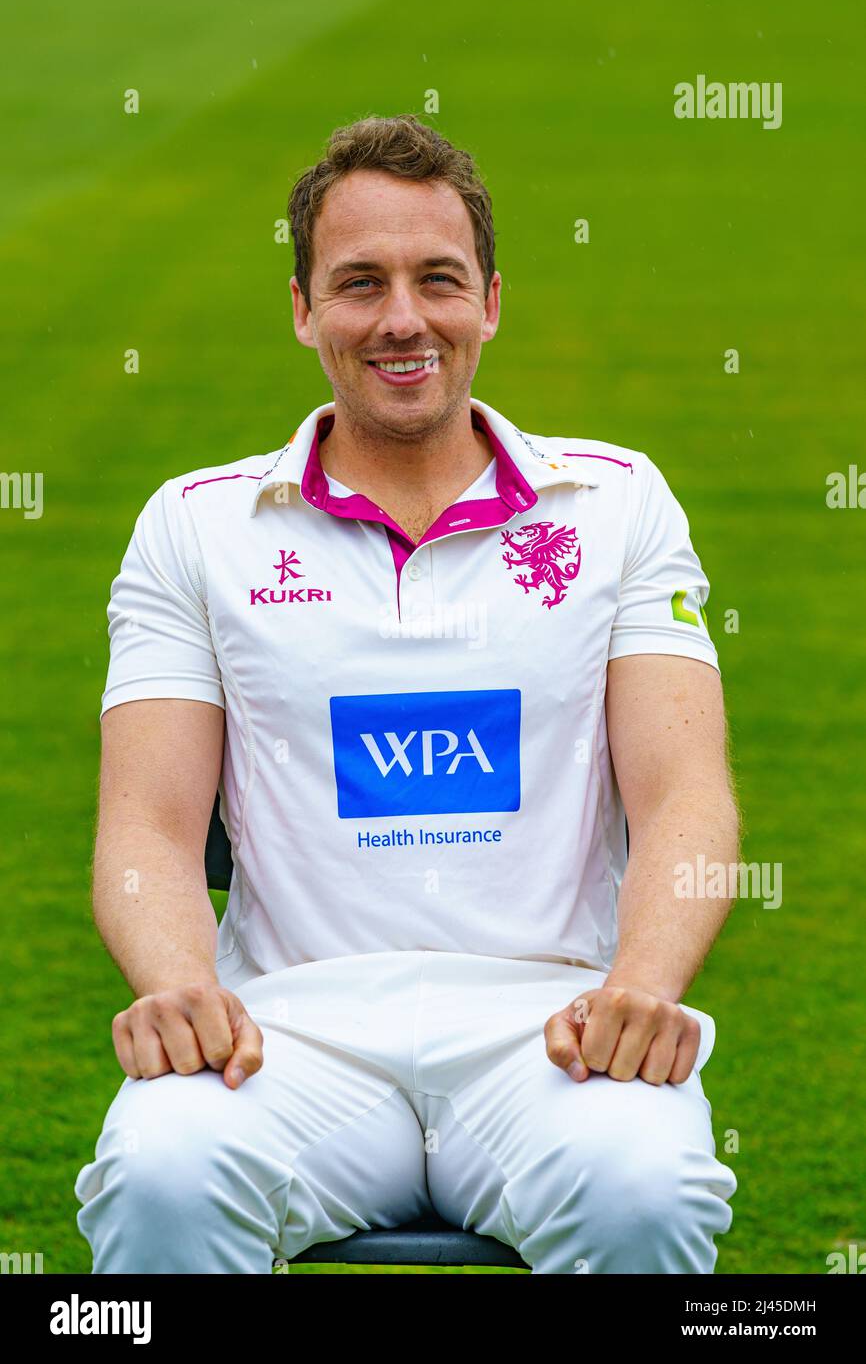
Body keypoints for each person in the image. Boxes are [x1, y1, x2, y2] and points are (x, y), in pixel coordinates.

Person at [74, 114, 739, 1274]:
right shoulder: (196, 524)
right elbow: (146, 824)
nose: (400, 319)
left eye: (436, 280)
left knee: (645, 1188)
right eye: (357, 283)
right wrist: (182, 987)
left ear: (488, 300)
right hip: (286, 1035)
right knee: (159, 1174)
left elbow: (685, 794)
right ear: (301, 309)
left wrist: (640, 987)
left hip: (551, 1032)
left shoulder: (619, 504)